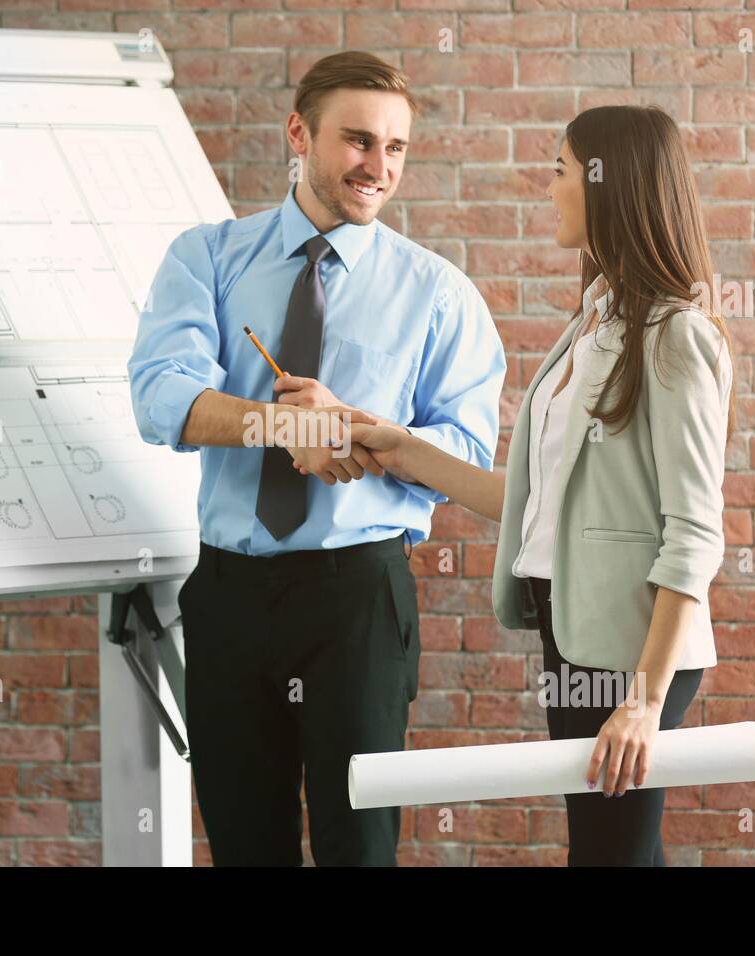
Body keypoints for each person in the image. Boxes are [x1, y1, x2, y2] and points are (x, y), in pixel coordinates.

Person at [127, 51, 506, 866]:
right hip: (228, 591)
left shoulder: (439, 294)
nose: (378, 167)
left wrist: (362, 437)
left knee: (357, 849)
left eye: (396, 149)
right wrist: (280, 428)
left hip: (357, 600)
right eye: (358, 141)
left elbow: (469, 455)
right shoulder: (207, 259)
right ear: (298, 133)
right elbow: (162, 399)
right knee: (244, 845)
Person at [344, 105, 737, 866]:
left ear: (606, 184)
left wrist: (644, 702)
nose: (549, 188)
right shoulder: (594, 322)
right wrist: (403, 449)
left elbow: (695, 534)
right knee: (608, 851)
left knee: (610, 855)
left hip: (636, 652)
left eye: (560, 170)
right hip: (574, 636)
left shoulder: (675, 337)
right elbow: (537, 506)